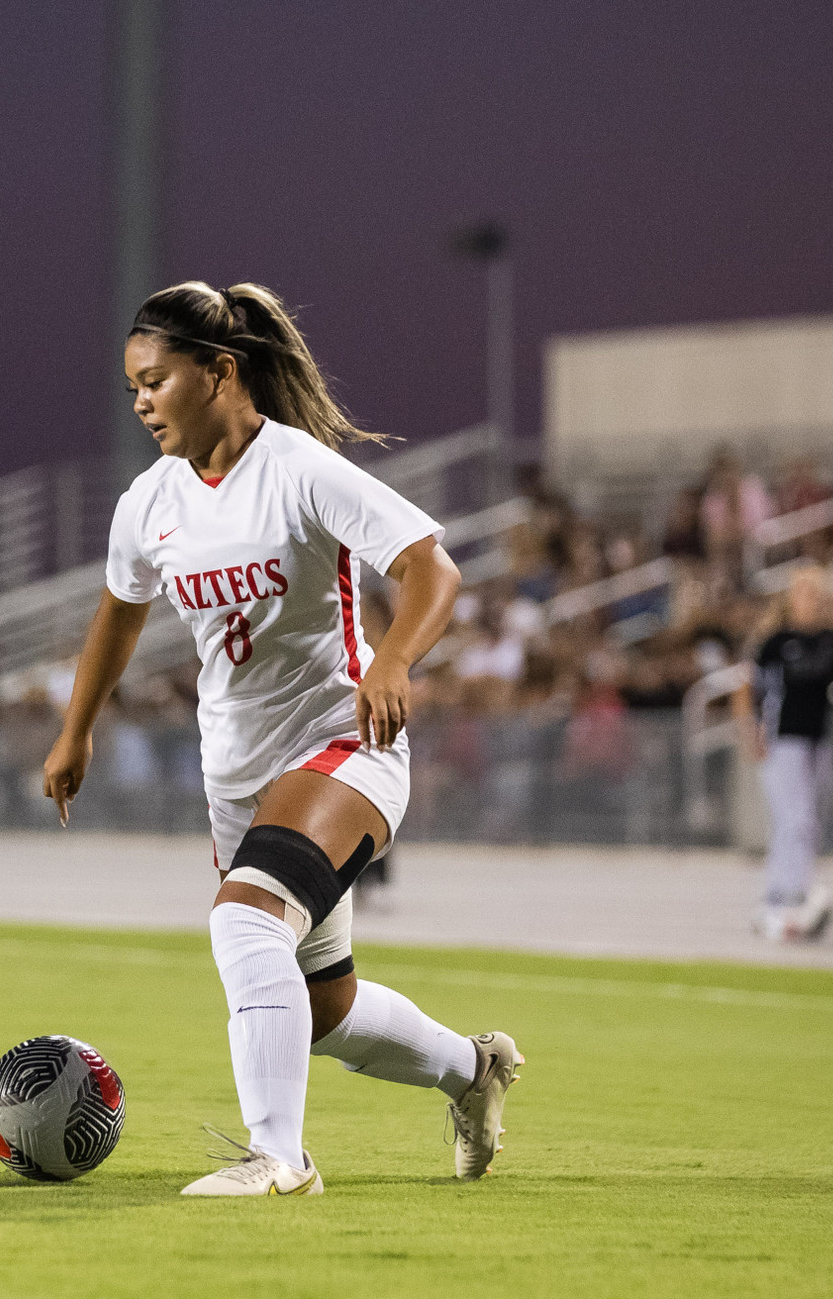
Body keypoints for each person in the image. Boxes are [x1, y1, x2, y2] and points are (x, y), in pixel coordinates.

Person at [43, 281, 522, 1196]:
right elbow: (117, 615)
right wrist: (77, 732)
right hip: (239, 781)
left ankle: (279, 1160)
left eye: (156, 381)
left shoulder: (299, 468)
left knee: (244, 919)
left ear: (220, 371)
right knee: (321, 1011)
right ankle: (474, 1070)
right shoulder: (149, 502)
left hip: (345, 744)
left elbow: (432, 568)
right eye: (132, 387)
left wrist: (392, 660)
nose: (141, 401)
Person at [733, 565, 833, 941]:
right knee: (795, 818)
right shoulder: (776, 641)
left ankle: (781, 897)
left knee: (807, 822)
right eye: (803, 591)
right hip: (782, 739)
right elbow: (747, 687)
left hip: (818, 740)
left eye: (815, 591)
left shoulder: (832, 641)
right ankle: (788, 897)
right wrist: (751, 731)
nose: (810, 598)